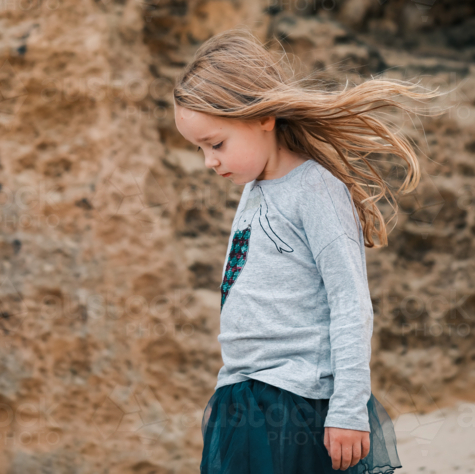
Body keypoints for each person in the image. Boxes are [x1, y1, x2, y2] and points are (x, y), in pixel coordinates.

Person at [172, 28, 441, 473]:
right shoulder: (255, 188)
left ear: (263, 117)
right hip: (245, 395)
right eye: (200, 148)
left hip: (297, 402)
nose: (209, 162)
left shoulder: (316, 190)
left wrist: (349, 409)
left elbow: (350, 303)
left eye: (216, 144)